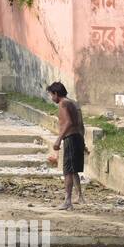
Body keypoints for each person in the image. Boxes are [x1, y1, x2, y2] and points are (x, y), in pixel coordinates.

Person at [47, 81, 87, 210]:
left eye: (51, 95)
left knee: (68, 171)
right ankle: (76, 197)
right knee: (72, 170)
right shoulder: (72, 103)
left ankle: (68, 201)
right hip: (76, 138)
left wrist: (58, 139)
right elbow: (79, 123)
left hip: (71, 138)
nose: (51, 98)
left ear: (56, 93)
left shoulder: (63, 103)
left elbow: (68, 122)